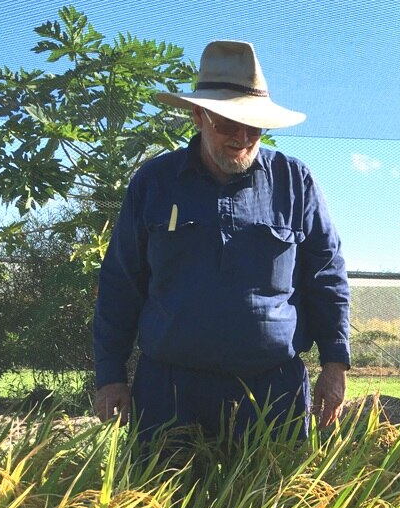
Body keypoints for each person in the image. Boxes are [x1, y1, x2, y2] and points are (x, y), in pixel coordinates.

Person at [93, 40, 350, 444]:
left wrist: (334, 364)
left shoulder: (294, 182)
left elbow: (326, 275)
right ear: (198, 115)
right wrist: (110, 376)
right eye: (227, 123)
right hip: (169, 391)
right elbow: (120, 282)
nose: (242, 136)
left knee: (271, 504)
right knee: (162, 505)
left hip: (272, 391)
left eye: (254, 126)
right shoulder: (154, 183)